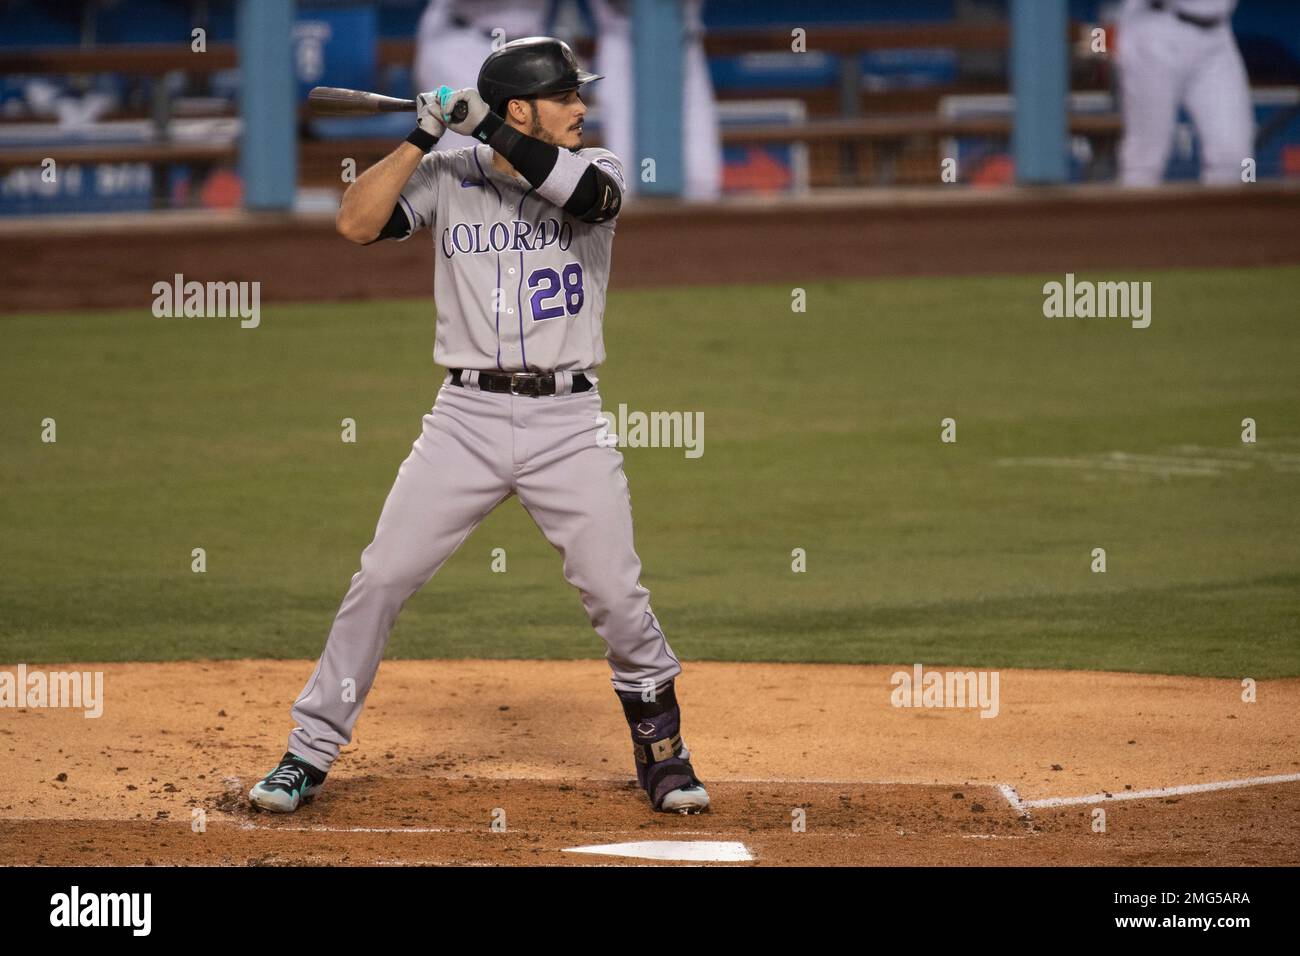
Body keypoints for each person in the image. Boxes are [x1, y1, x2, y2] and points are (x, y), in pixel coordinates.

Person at [248, 37, 709, 817]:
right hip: (463, 419)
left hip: (568, 419)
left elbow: (591, 204)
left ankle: (663, 753)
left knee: (616, 595)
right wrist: (423, 135)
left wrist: (488, 128)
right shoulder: (444, 177)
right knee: (383, 577)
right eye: (565, 96)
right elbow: (356, 224)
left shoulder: (598, 170)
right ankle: (308, 751)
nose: (581, 107)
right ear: (525, 105)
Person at [1116, 0, 1253, 186]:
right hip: (1157, 26)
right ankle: (1131, 214)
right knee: (1146, 159)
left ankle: (1221, 215)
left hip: (1218, 32)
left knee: (1232, 154)